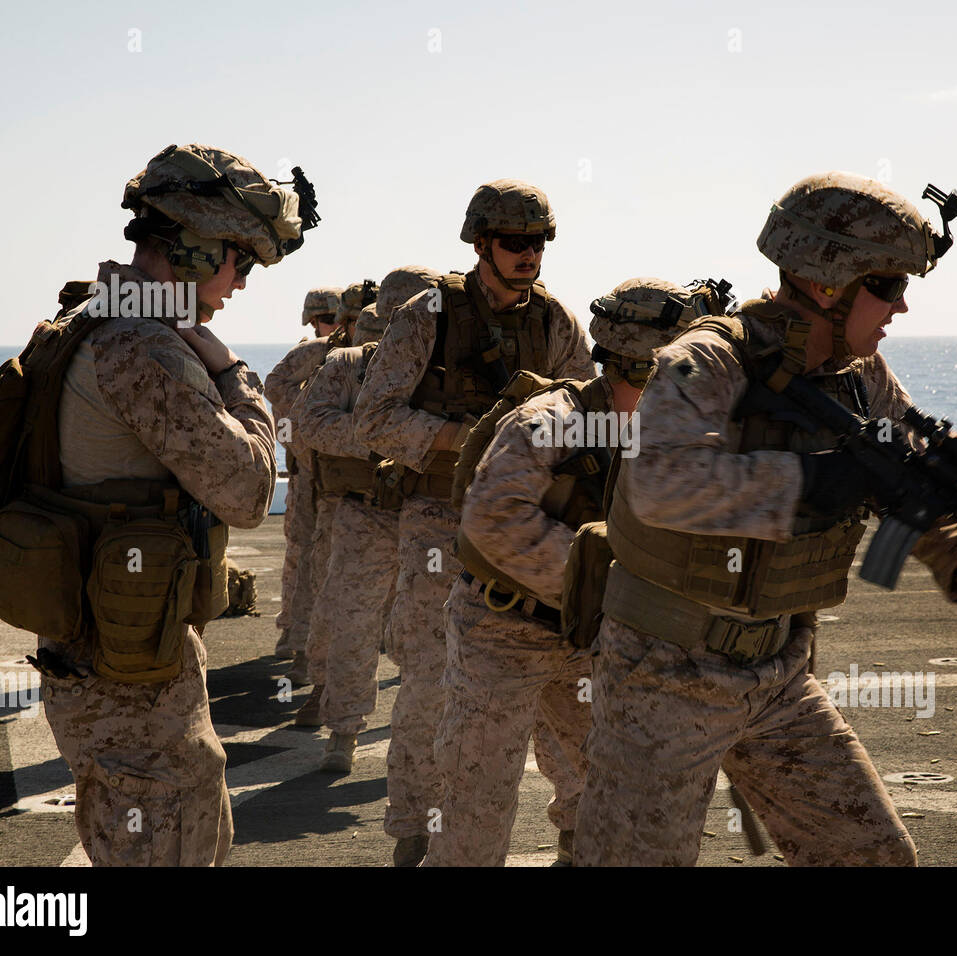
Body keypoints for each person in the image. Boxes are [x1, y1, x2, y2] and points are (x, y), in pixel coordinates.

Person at [572, 171, 957, 867]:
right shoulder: (707, 360)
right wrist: (814, 479)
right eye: (886, 285)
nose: (901, 305)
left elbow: (901, 470)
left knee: (874, 858)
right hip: (662, 672)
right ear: (828, 282)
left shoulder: (859, 375)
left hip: (778, 671)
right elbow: (663, 484)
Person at [32, 143, 315, 865]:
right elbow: (248, 491)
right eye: (238, 261)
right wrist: (232, 371)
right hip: (126, 678)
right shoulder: (141, 347)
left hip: (124, 650)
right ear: (191, 246)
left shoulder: (97, 319)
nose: (241, 283)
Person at [425, 278, 717, 867]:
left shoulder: (669, 437)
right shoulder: (551, 419)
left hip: (591, 640)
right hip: (501, 630)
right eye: (661, 382)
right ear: (627, 369)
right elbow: (493, 517)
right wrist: (608, 584)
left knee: (602, 793)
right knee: (475, 808)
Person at [352, 181, 593, 866]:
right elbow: (375, 420)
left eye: (540, 241)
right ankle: (416, 832)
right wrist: (473, 437)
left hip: (528, 519)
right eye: (517, 242)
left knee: (568, 675)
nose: (531, 254)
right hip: (439, 519)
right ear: (482, 243)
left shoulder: (553, 322)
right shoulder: (427, 315)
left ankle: (580, 830)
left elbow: (589, 410)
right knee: (433, 676)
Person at [292, 266, 442, 762]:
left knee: (432, 630)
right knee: (351, 619)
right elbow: (310, 422)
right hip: (367, 511)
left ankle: (427, 744)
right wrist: (386, 436)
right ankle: (345, 727)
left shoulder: (449, 371)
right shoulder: (349, 363)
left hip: (434, 512)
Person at [265, 286, 343, 675]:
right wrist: (310, 437)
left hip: (339, 478)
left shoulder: (347, 356)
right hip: (307, 477)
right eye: (327, 321)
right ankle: (295, 639)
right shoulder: (306, 357)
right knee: (302, 558)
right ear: (313, 322)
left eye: (338, 320)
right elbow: (278, 396)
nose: (332, 328)